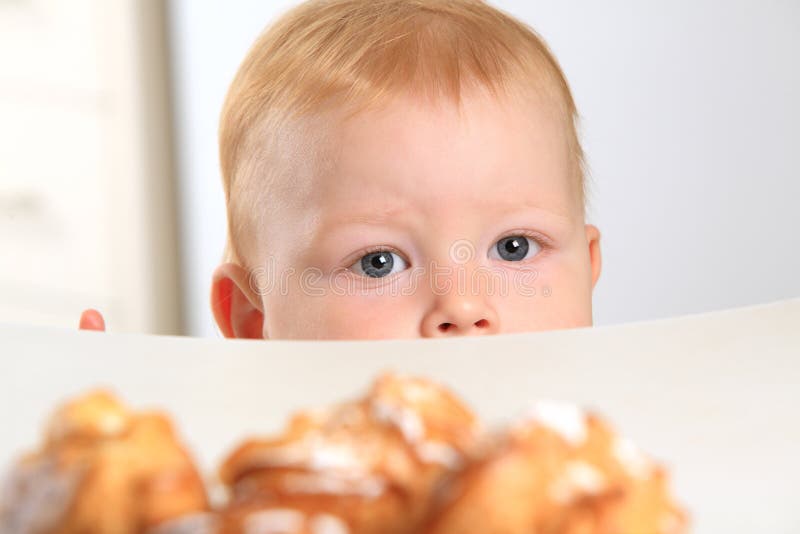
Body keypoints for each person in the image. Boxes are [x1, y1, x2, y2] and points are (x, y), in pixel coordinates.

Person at [82, 0, 602, 340]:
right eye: (378, 262)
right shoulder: (258, 481)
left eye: (515, 247)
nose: (463, 307)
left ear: (589, 265)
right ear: (254, 320)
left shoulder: (614, 471)